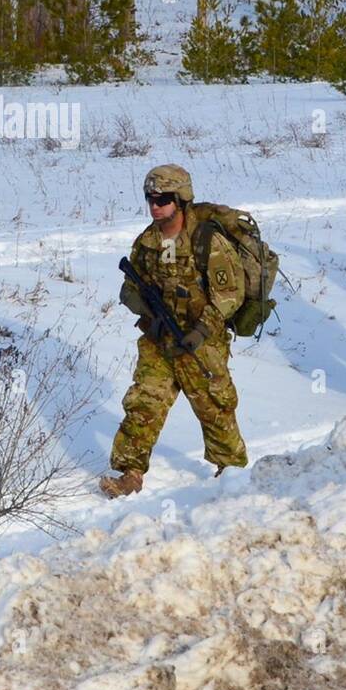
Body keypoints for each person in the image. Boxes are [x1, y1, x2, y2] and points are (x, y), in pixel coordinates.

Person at [102, 164, 249, 497]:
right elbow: (129, 288)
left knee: (215, 407)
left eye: (164, 199)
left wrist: (200, 331)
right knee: (144, 403)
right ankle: (129, 473)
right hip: (160, 340)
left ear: (181, 199)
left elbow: (230, 295)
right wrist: (147, 312)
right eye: (150, 199)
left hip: (201, 341)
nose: (156, 206)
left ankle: (232, 476)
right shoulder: (147, 241)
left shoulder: (206, 240)